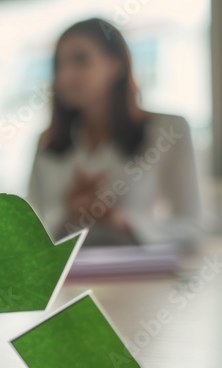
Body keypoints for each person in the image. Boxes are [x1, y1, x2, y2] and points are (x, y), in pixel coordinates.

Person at [27, 18, 202, 247]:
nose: (66, 75)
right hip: (71, 275)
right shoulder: (46, 142)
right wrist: (68, 215)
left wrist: (125, 222)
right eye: (59, 65)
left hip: (144, 274)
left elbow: (192, 226)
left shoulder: (171, 130)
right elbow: (30, 235)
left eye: (81, 60)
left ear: (116, 64)